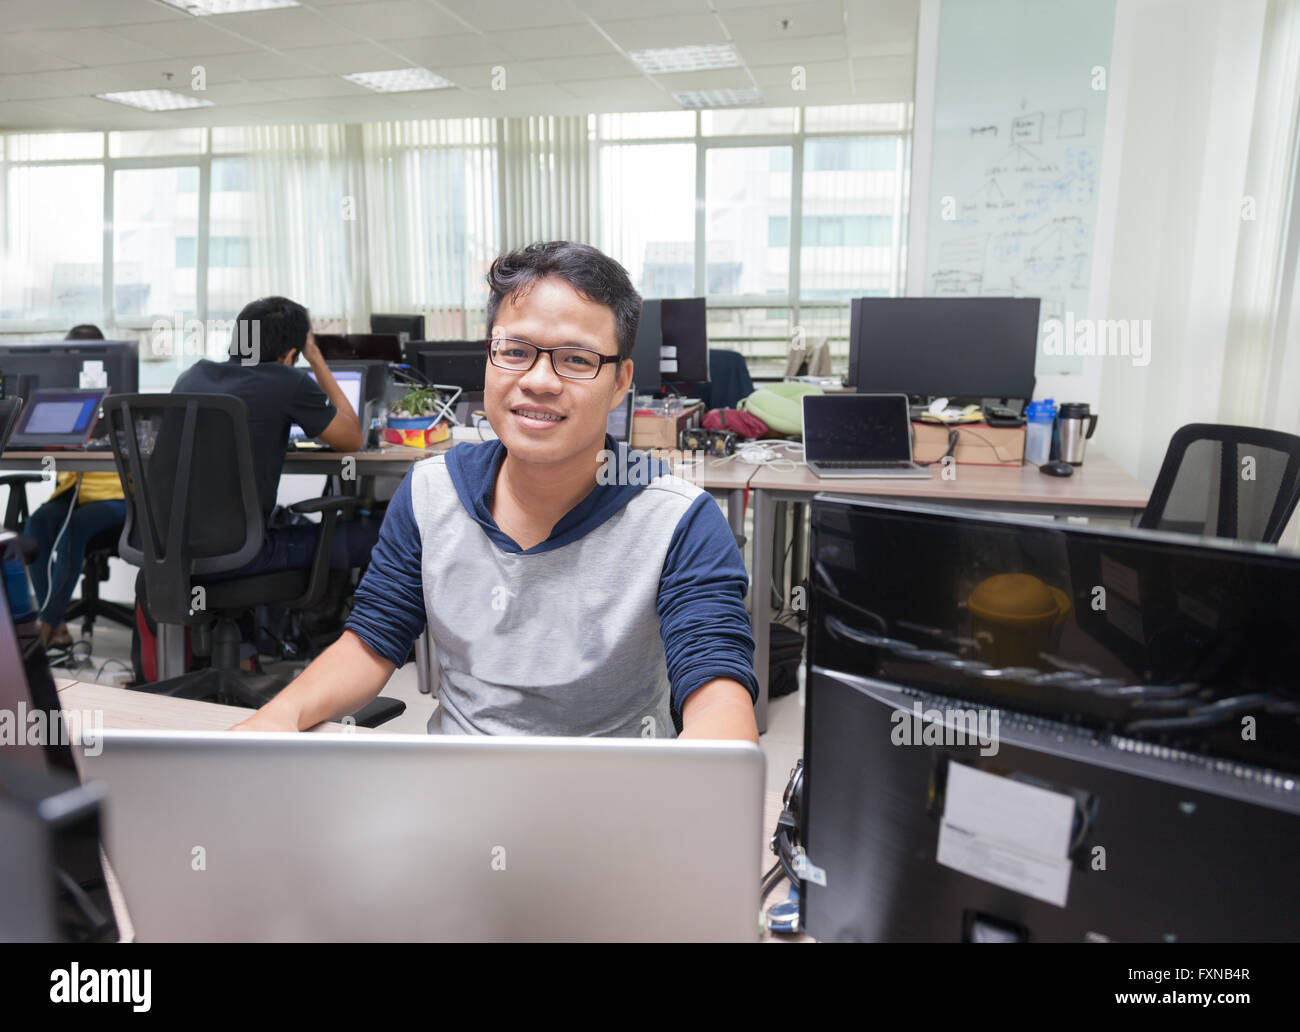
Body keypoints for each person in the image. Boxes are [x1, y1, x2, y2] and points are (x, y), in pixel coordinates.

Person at [235, 241, 759, 741]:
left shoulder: (678, 518)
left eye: (576, 359)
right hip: (459, 788)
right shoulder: (430, 492)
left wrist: (719, 779)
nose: (539, 380)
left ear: (621, 381)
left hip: (614, 798)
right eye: (515, 351)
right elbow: (371, 642)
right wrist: (277, 717)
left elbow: (715, 683)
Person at [170, 295, 375, 578]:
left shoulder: (191, 377)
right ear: (291, 354)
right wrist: (315, 359)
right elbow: (353, 438)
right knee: (377, 536)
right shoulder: (287, 380)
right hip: (245, 556)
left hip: (173, 555)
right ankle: (331, 621)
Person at [24, 324, 124, 649]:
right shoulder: (62, 398)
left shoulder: (124, 393)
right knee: (36, 526)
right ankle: (59, 623)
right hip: (73, 494)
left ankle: (47, 624)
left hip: (119, 496)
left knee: (75, 527)